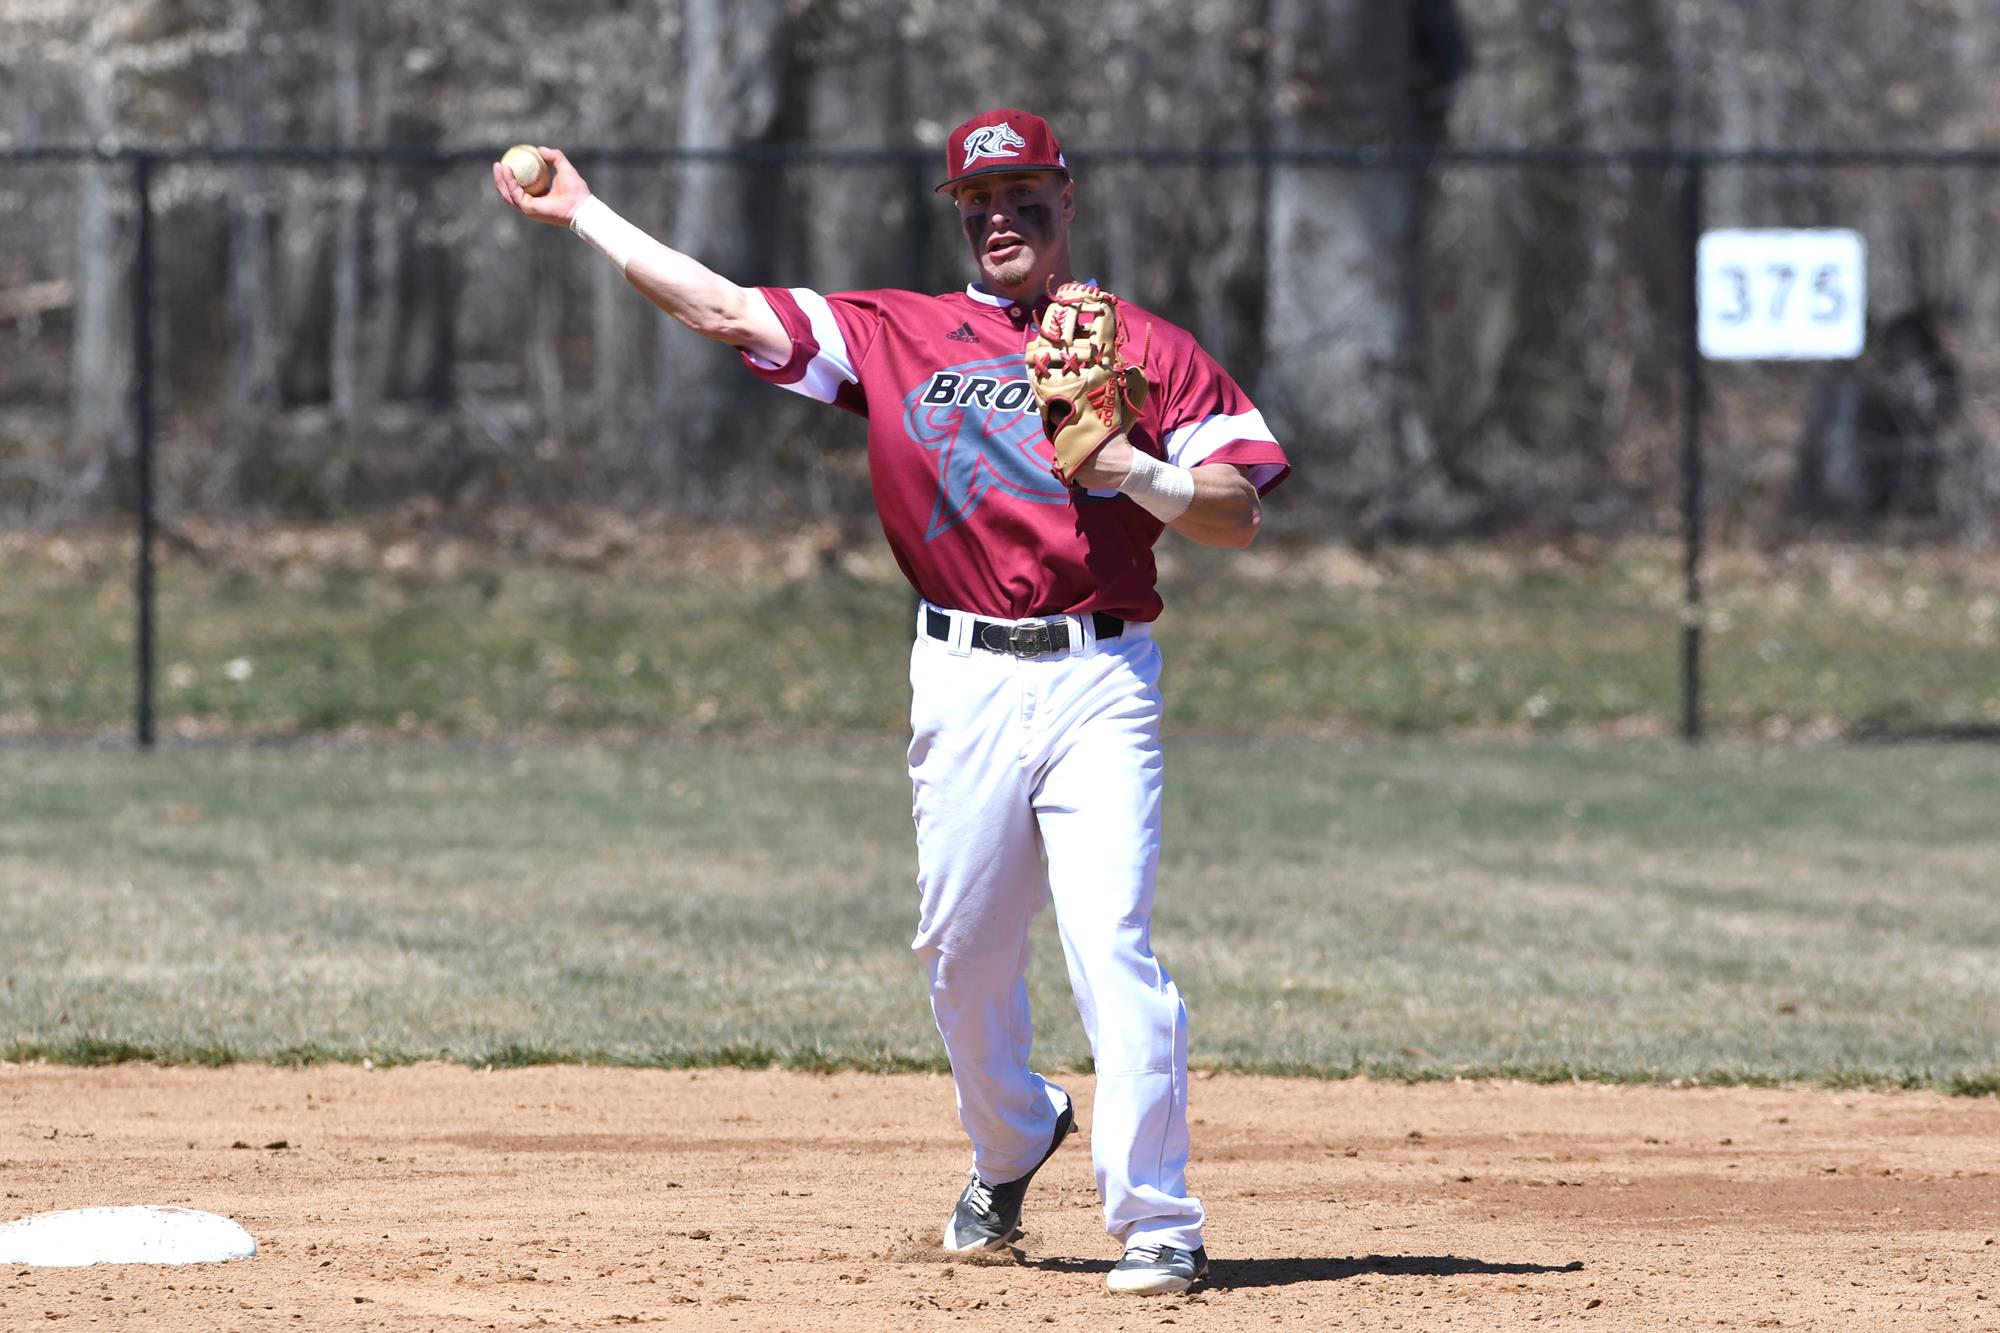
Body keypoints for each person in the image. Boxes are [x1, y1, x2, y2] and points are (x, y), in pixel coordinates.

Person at [493, 108, 1289, 1296]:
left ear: (1065, 201)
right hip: (958, 674)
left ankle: (1158, 1218)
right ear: (959, 216)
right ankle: (1017, 1134)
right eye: (980, 201)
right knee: (959, 956)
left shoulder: (1143, 346)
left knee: (1107, 945)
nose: (1002, 217)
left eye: (1025, 195)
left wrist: (1137, 469)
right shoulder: (898, 334)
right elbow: (721, 308)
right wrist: (585, 214)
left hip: (1098, 676)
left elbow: (1239, 508)